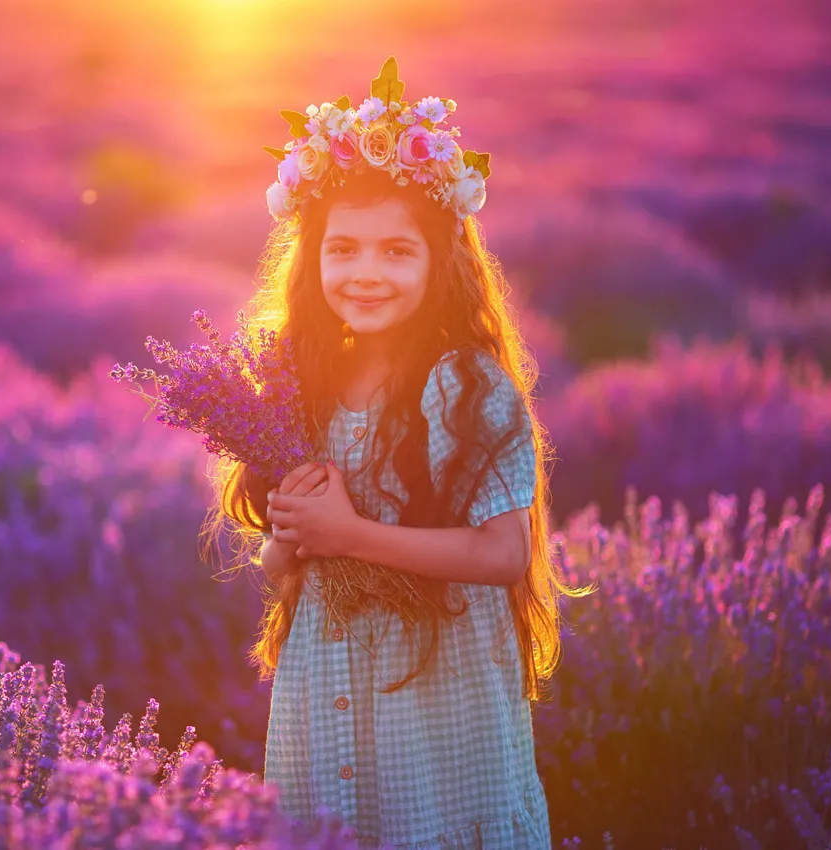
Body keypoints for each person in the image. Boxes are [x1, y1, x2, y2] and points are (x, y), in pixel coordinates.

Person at [209, 57, 588, 848]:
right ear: (311, 259)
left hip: (434, 702)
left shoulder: (464, 383)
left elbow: (503, 552)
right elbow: (284, 569)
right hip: (327, 693)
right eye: (343, 249)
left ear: (441, 262)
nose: (366, 273)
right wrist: (293, 534)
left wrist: (349, 534)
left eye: (396, 252)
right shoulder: (303, 381)